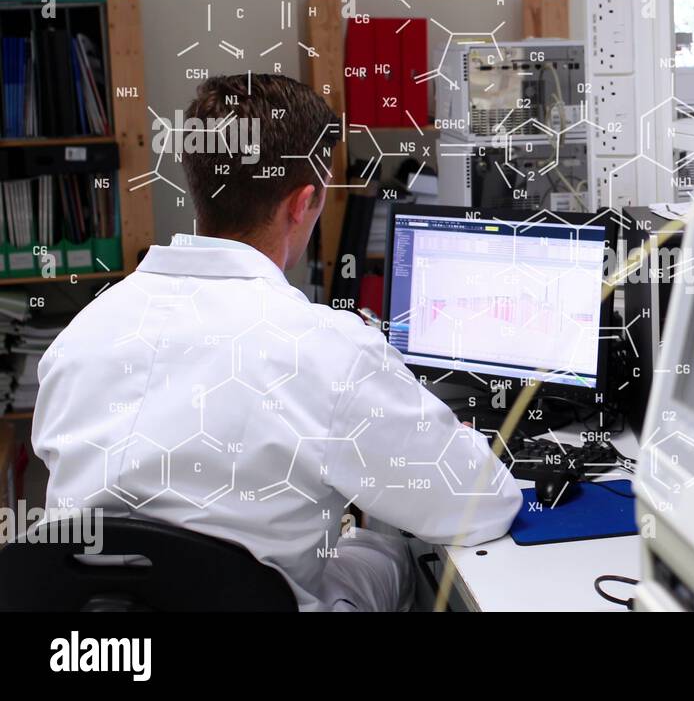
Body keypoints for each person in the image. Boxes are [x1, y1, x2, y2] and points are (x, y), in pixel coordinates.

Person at [32, 74, 522, 611]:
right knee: (387, 552)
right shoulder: (328, 349)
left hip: (102, 647)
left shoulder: (81, 335)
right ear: (303, 202)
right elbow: (482, 506)